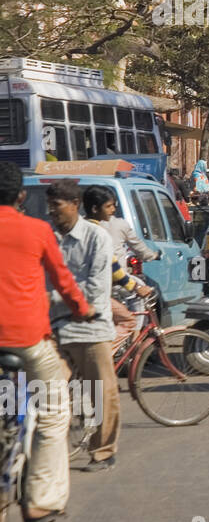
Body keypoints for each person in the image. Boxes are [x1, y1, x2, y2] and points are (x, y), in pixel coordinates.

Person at [0, 162, 95, 522]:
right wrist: (82, 310)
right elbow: (64, 281)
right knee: (55, 410)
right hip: (29, 340)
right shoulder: (37, 229)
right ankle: (41, 501)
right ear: (22, 196)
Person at [45, 179, 121, 472]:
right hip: (52, 327)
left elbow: (94, 287)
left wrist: (48, 297)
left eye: (57, 206)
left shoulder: (96, 237)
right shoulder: (46, 237)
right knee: (42, 389)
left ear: (75, 205)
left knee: (101, 391)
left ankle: (102, 451)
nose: (52, 212)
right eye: (49, 206)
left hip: (90, 326)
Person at [82, 184, 158, 269]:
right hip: (116, 278)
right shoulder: (117, 225)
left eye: (114, 205)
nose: (113, 209)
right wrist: (153, 255)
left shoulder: (78, 226)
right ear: (95, 209)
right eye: (108, 206)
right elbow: (139, 247)